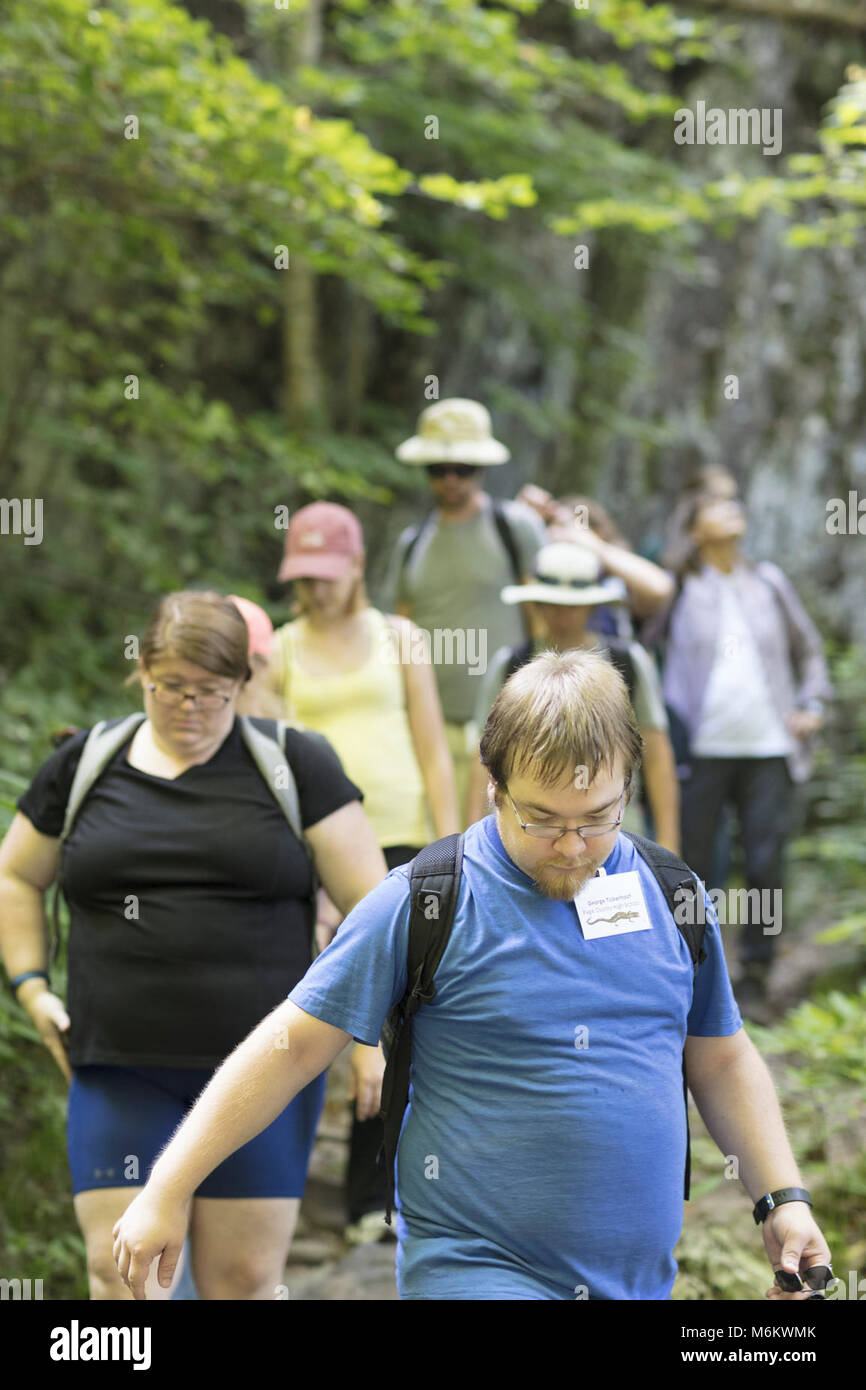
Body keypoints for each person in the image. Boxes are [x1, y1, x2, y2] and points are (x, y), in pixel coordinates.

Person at [112, 649, 831, 1303]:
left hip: (639, 1282)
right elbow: (292, 1045)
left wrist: (780, 1198)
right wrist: (167, 1189)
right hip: (475, 1267)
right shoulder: (427, 900)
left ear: (628, 783)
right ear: (492, 782)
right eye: (543, 819)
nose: (574, 847)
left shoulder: (674, 895)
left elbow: (722, 1056)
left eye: (598, 817)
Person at [0, 590, 387, 1300]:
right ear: (141, 670)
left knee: (240, 1283)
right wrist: (31, 987)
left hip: (264, 1071)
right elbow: (16, 874)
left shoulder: (296, 765)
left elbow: (374, 905)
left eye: (212, 692)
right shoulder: (85, 764)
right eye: (171, 687)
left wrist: (367, 1039)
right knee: (127, 1280)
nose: (190, 708)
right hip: (120, 1066)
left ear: (245, 683)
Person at [264, 501, 459, 1243]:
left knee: (412, 1016)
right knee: (352, 1015)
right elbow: (277, 759)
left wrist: (451, 845)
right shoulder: (281, 650)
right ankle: (355, 1201)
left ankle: (404, 1196)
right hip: (325, 850)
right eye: (302, 578)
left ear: (355, 567)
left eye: (325, 574)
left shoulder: (399, 637)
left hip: (408, 841)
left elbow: (434, 747)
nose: (314, 590)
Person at [659, 494, 833, 1021]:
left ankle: (756, 974)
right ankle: (687, 969)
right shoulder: (678, 588)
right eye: (714, 507)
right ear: (693, 530)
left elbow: (809, 651)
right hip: (702, 749)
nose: (731, 510)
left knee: (764, 863)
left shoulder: (769, 582)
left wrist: (812, 704)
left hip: (768, 748)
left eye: (735, 504)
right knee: (690, 864)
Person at [385, 398, 546, 825]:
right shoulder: (412, 543)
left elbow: (541, 619)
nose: (451, 479)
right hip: (427, 729)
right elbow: (401, 630)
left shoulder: (514, 528)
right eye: (439, 469)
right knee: (434, 852)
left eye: (463, 468)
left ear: (482, 469)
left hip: (505, 728)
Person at [465, 542, 680, 852]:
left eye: (572, 605)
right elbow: (483, 755)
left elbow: (657, 753)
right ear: (536, 603)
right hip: (531, 830)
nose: (562, 615)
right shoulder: (511, 664)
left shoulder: (627, 663)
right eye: (552, 604)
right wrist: (471, 837)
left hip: (614, 827)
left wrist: (668, 842)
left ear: (592, 606)